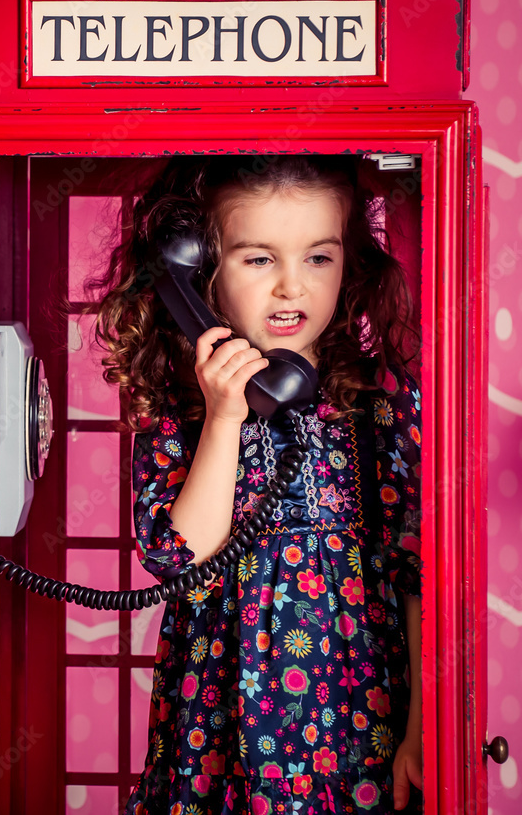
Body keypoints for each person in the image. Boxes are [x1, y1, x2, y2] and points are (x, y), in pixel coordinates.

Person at [91, 156, 424, 813]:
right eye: (259, 260)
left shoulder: (380, 404)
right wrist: (223, 416)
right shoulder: (181, 412)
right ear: (198, 277)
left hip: (358, 724)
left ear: (349, 264)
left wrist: (421, 731)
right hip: (219, 732)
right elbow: (178, 556)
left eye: (318, 258)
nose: (291, 288)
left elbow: (418, 572)